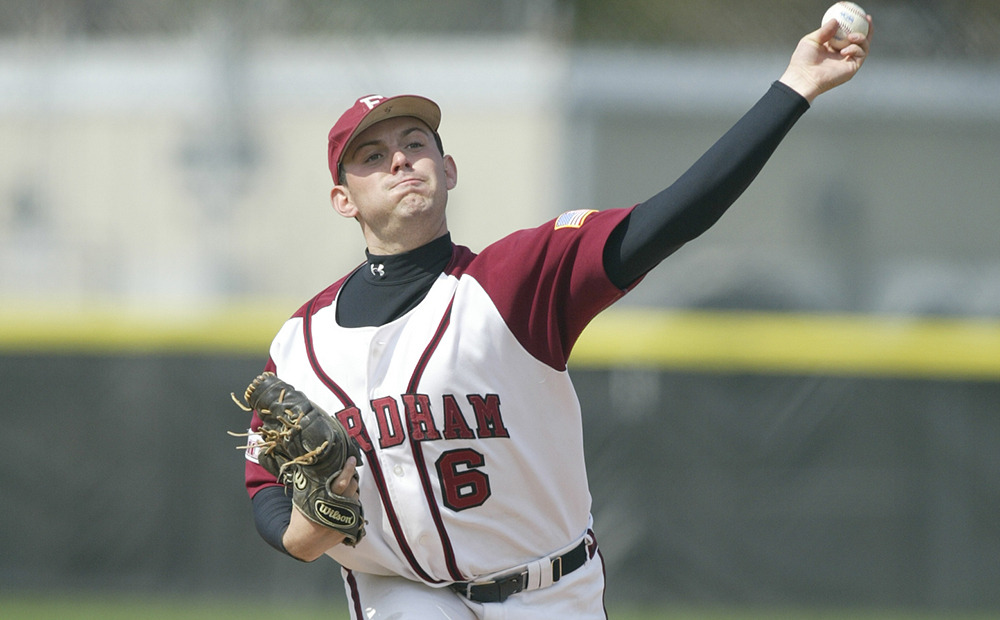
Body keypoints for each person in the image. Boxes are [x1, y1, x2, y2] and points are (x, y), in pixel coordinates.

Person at [239, 16, 872, 620]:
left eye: (415, 143)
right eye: (372, 155)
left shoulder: (514, 280)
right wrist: (298, 535)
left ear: (448, 169)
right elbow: (263, 483)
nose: (400, 160)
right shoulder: (301, 342)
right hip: (399, 590)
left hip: (544, 590)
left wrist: (795, 88)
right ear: (342, 199)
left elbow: (673, 215)